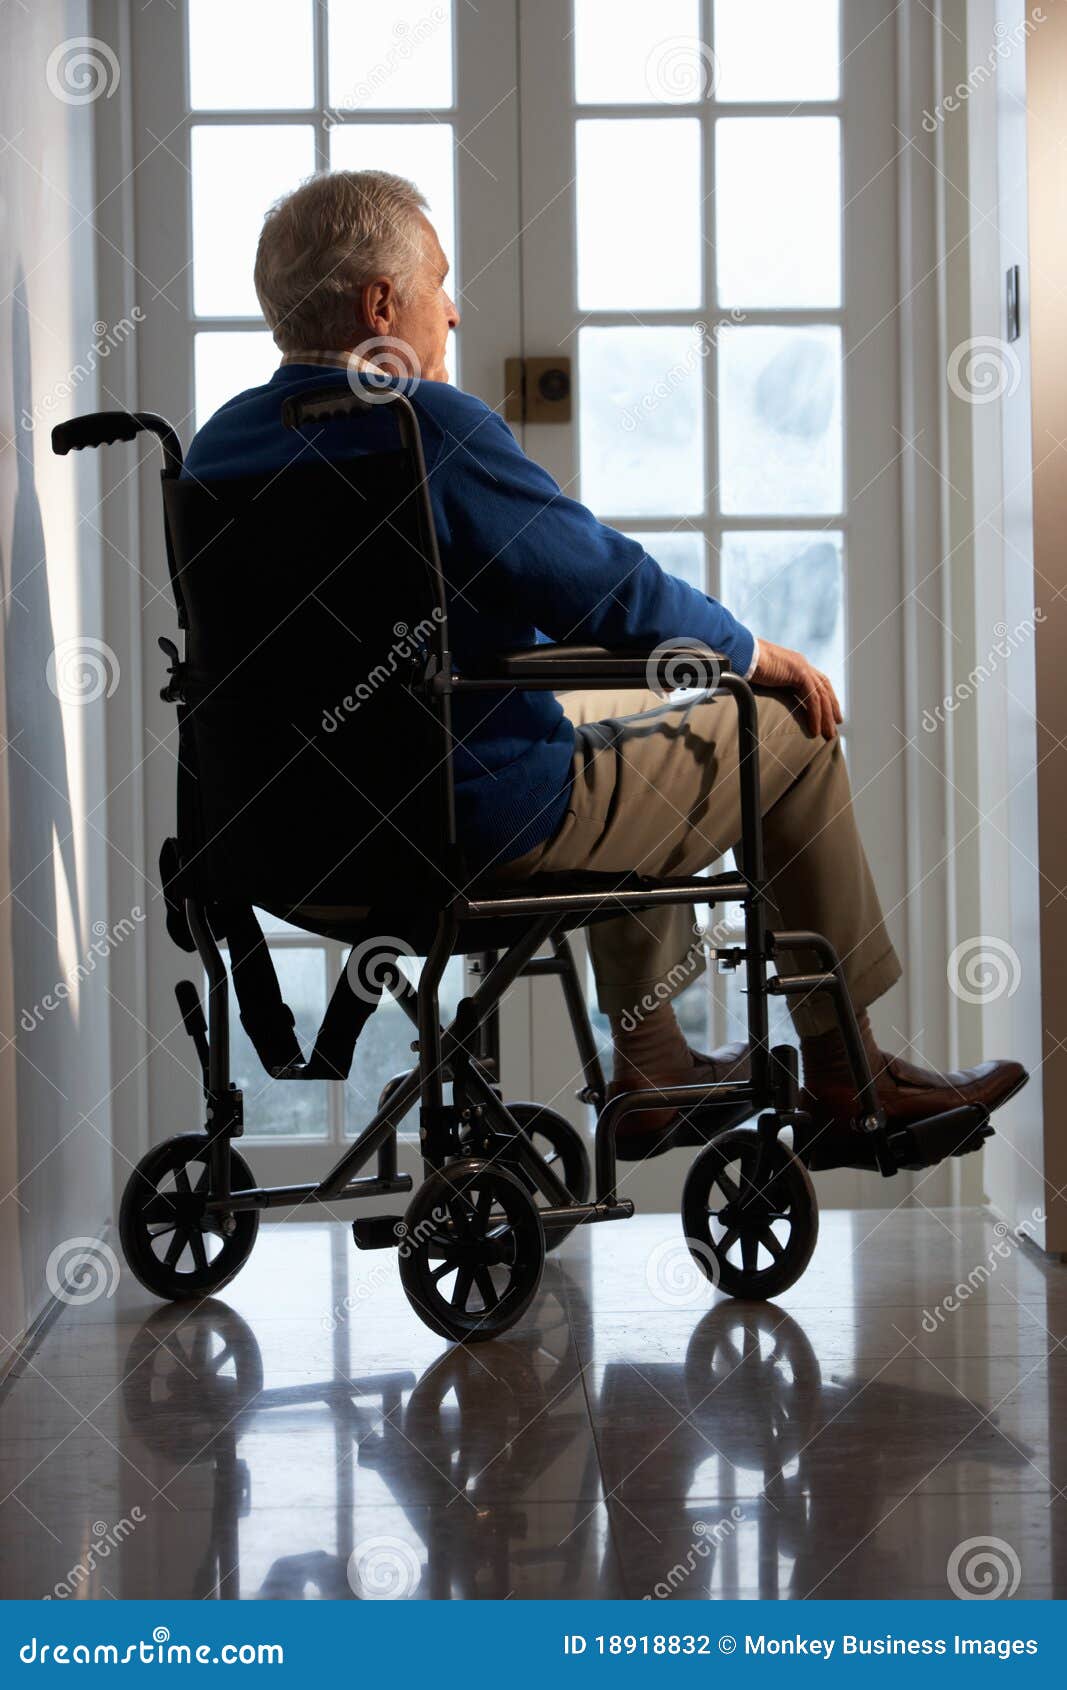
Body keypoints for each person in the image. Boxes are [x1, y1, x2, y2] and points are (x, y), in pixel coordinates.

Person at [183, 169, 1026, 1169]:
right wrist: (752, 654)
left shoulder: (220, 448)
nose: (451, 309)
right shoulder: (425, 428)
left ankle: (656, 1056)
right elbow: (604, 591)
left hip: (287, 841)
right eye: (438, 283)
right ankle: (846, 1076)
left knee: (629, 714)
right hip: (463, 825)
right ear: (379, 306)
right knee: (781, 726)